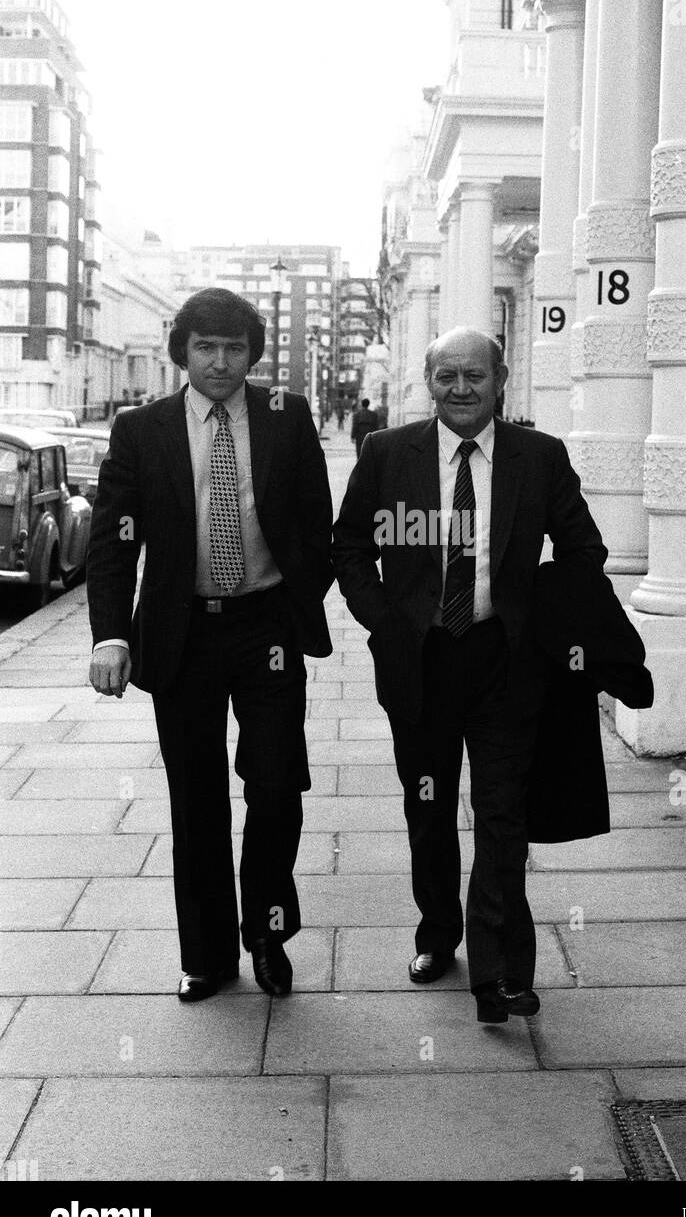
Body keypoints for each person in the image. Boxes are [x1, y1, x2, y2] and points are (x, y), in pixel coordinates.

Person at [331, 326, 610, 1025]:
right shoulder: (388, 453)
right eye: (447, 376)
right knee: (428, 810)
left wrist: (541, 618)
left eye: (473, 376)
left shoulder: (538, 457)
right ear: (430, 382)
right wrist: (383, 621)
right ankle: (437, 934)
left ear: (500, 379)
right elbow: (349, 545)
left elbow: (584, 548)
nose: (460, 388)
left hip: (503, 665)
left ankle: (502, 974)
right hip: (418, 663)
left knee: (501, 816)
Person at [86, 288, 333, 1003]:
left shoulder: (287, 419)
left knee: (278, 783)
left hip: (266, 629)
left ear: (251, 353)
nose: (220, 362)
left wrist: (295, 604)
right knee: (195, 799)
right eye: (205, 347)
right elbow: (111, 542)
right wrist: (110, 634)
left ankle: (268, 930)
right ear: (183, 351)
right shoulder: (142, 430)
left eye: (233, 348)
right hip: (182, 633)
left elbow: (316, 525)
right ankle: (207, 955)